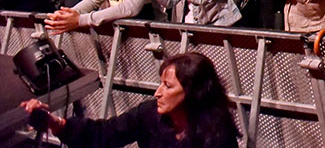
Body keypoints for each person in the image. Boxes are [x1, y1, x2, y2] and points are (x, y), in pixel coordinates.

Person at [22, 52, 239, 148]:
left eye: (168, 86)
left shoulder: (217, 134)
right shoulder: (149, 113)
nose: (158, 93)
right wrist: (53, 122)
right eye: (160, 84)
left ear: (193, 92)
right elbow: (102, 134)